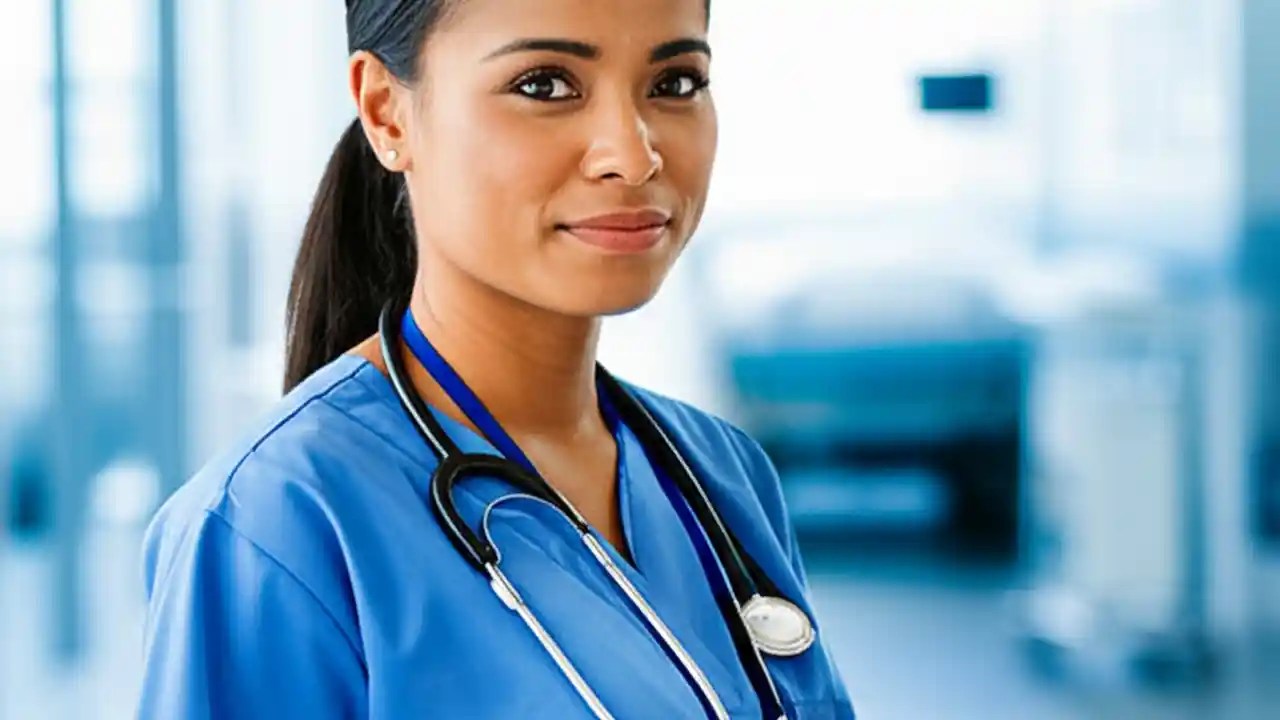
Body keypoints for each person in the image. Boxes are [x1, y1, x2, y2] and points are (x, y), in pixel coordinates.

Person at [137, 0, 855, 717]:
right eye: (544, 84)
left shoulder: (720, 474)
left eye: (674, 84)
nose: (633, 156)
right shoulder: (270, 523)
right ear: (387, 113)